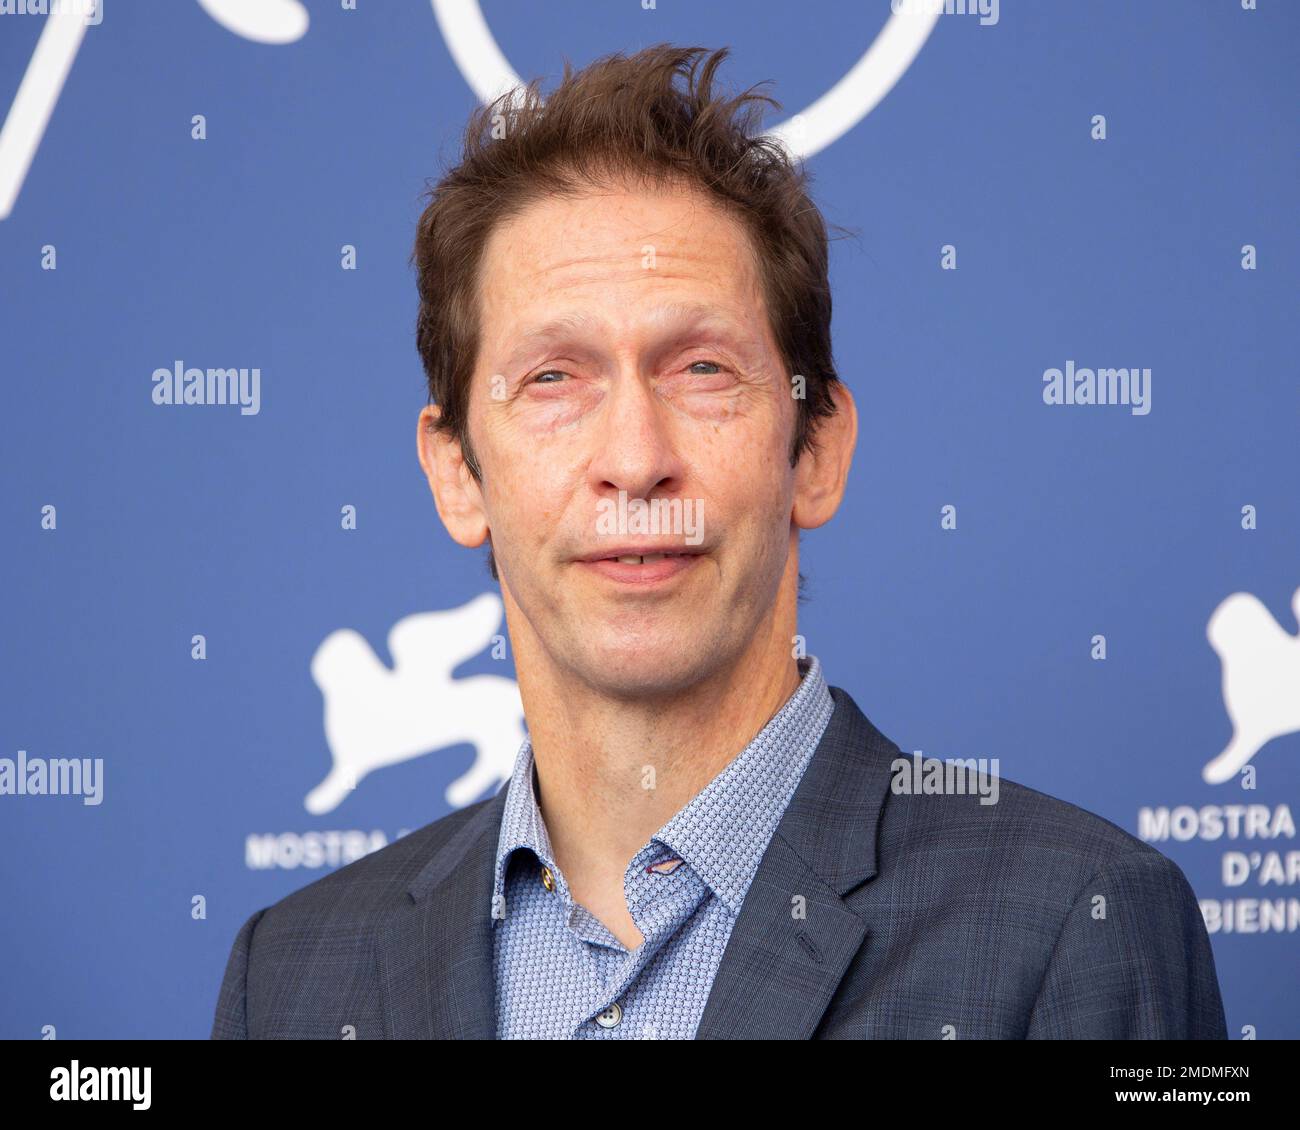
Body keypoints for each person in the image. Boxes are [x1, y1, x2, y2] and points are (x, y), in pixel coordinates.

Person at [211, 43, 1227, 1040]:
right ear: (456, 471)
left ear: (815, 446)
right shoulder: (294, 973)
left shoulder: (1077, 921)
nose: (634, 456)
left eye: (700, 368)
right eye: (554, 378)